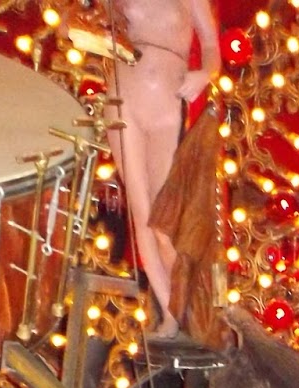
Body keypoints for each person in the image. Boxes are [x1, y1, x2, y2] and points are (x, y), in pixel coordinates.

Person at [104, 0, 221, 337]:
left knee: (164, 221)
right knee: (141, 212)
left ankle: (192, 309)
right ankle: (171, 314)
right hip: (124, 95)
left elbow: (212, 44)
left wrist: (205, 74)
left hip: (168, 102)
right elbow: (77, 22)